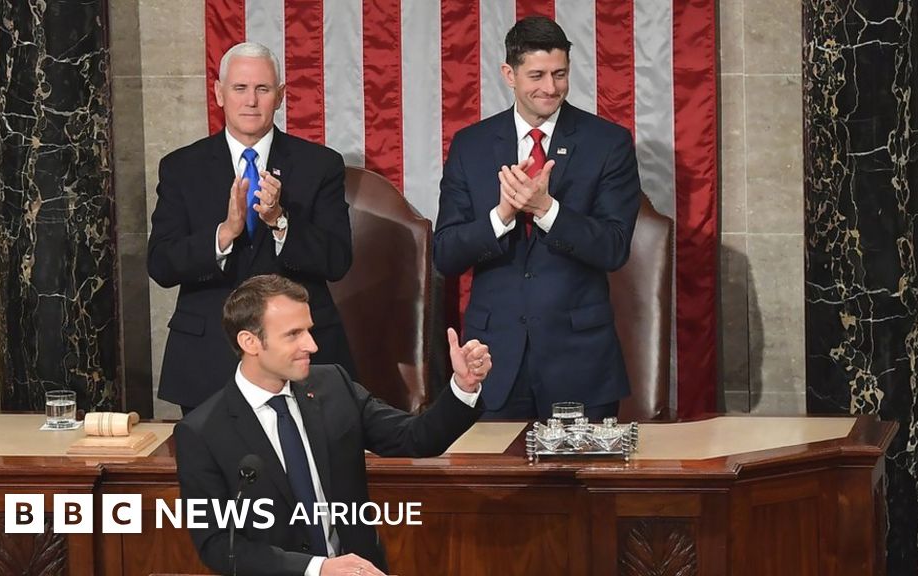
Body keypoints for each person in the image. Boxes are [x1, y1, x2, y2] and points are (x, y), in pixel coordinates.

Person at [174, 274, 489, 576]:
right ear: (250, 342)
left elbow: (416, 438)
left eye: (309, 331)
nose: (312, 345)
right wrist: (316, 569)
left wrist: (463, 387)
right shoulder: (202, 432)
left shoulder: (334, 384)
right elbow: (218, 545)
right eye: (294, 334)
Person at [434, 16, 641, 421]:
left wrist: (546, 210)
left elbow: (614, 248)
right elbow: (446, 254)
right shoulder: (471, 145)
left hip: (579, 364)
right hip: (493, 362)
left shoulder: (607, 143)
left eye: (559, 74)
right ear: (509, 74)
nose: (550, 87)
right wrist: (502, 215)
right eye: (537, 75)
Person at [148, 42, 355, 413]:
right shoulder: (181, 167)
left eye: (262, 89)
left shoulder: (320, 165)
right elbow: (161, 264)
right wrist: (224, 233)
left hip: (302, 358)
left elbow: (337, 260)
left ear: (280, 96)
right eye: (240, 88)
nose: (251, 101)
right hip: (207, 359)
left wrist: (280, 222)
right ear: (219, 93)